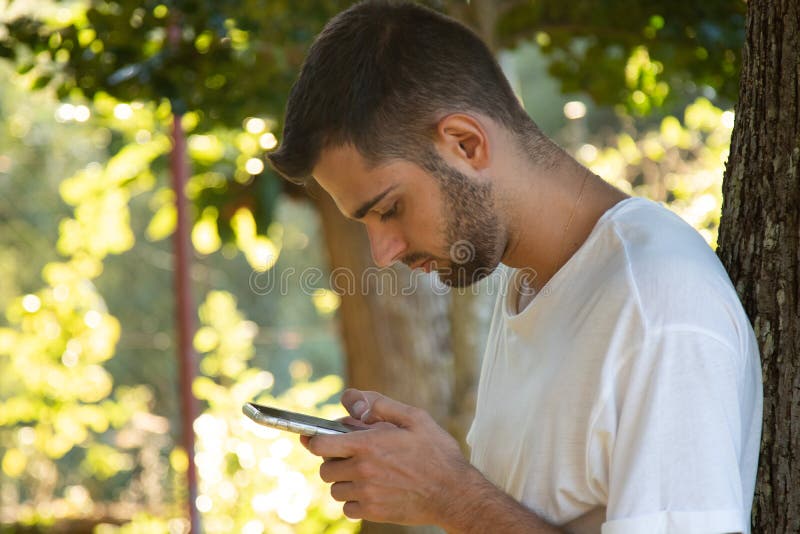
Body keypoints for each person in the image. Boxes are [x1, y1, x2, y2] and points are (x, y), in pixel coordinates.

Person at [267, 1, 763, 532]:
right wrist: (435, 474)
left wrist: (450, 494)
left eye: (389, 209)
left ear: (466, 143)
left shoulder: (657, 302)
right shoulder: (532, 283)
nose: (384, 252)